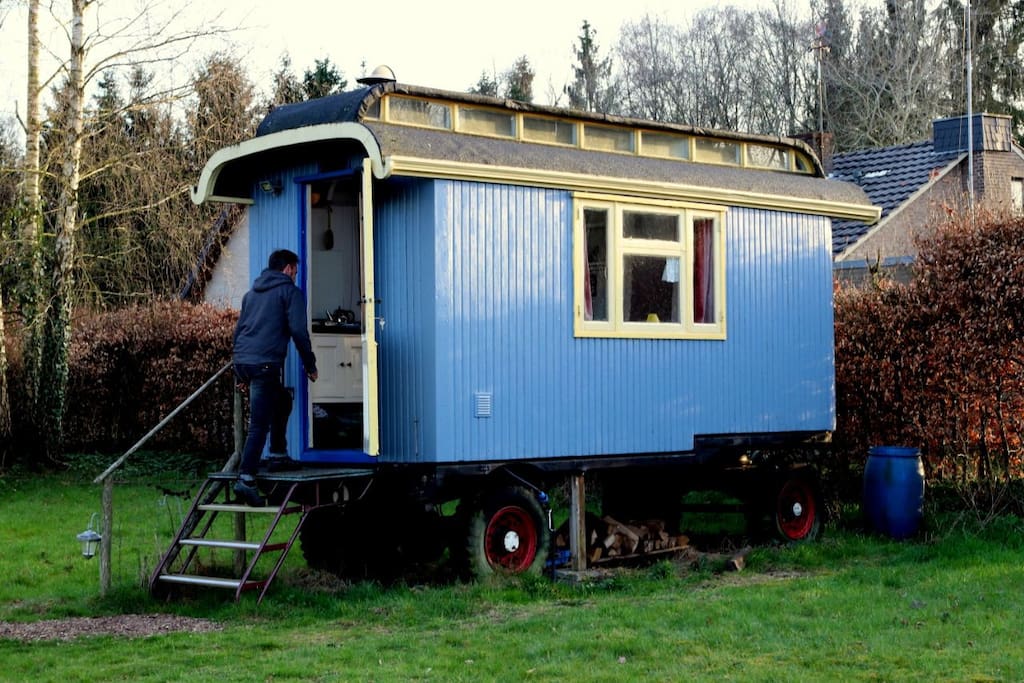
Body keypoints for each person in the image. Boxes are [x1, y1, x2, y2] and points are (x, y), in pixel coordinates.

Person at [232, 249, 318, 505]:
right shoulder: (290, 293)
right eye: (295, 269)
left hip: (245, 360)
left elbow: (239, 332)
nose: (296, 274)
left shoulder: (251, 295)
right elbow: (298, 331)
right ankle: (246, 479)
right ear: (288, 269)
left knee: (282, 400)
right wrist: (310, 364)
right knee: (259, 423)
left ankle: (278, 454)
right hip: (265, 363)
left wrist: (239, 371)